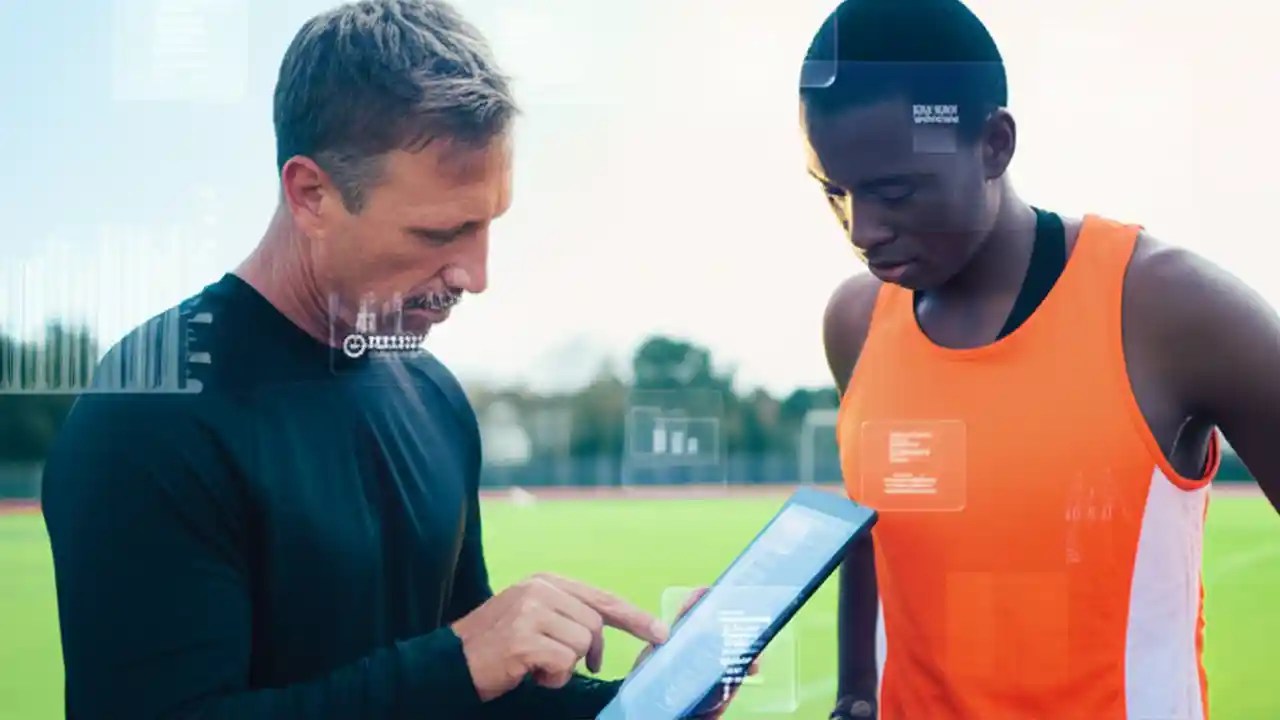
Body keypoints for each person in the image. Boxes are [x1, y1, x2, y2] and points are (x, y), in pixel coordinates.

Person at [40, 2, 743, 718]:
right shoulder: (152, 415)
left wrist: (645, 703)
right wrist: (457, 663)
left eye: (488, 224)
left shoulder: (433, 395)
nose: (475, 274)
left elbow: (468, 697)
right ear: (312, 194)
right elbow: (450, 673)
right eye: (442, 232)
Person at [798, 1, 1280, 719]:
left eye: (893, 192)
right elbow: (876, 528)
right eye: (834, 193)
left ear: (994, 145)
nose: (861, 229)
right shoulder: (857, 323)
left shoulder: (1166, 309)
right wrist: (854, 694)